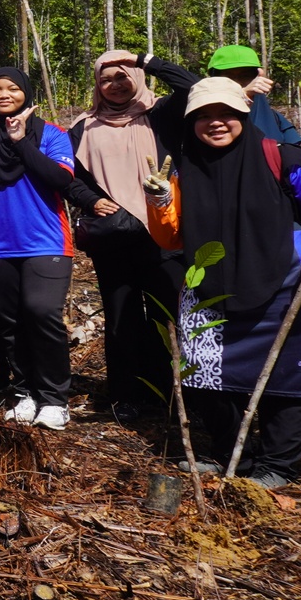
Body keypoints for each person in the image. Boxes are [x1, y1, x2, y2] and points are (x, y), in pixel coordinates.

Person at [143, 77, 301, 488]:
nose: (216, 123)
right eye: (204, 116)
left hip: (280, 283)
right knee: (206, 376)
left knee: (284, 377)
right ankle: (231, 455)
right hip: (207, 286)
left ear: (244, 116)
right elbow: (171, 237)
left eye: (226, 114)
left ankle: (277, 466)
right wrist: (160, 201)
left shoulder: (281, 157)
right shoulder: (184, 165)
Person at [66, 51, 197, 421]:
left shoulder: (162, 113)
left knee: (168, 315)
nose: (116, 85)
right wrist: (92, 200)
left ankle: (172, 394)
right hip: (116, 236)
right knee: (122, 318)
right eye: (106, 79)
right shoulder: (84, 126)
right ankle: (127, 395)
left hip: (165, 231)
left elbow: (195, 86)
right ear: (97, 86)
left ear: (137, 77)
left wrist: (148, 59)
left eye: (123, 76)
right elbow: (72, 176)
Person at [0, 67, 76, 429]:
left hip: (45, 240)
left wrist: (21, 141)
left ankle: (54, 398)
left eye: (12, 88)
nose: (3, 94)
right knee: (9, 323)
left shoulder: (52, 135)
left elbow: (61, 179)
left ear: (26, 92)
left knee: (41, 312)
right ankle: (26, 392)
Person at [206, 44, 301, 144]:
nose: (237, 82)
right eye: (229, 77)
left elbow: (295, 151)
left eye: (245, 76)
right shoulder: (202, 118)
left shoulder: (274, 117)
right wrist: (243, 96)